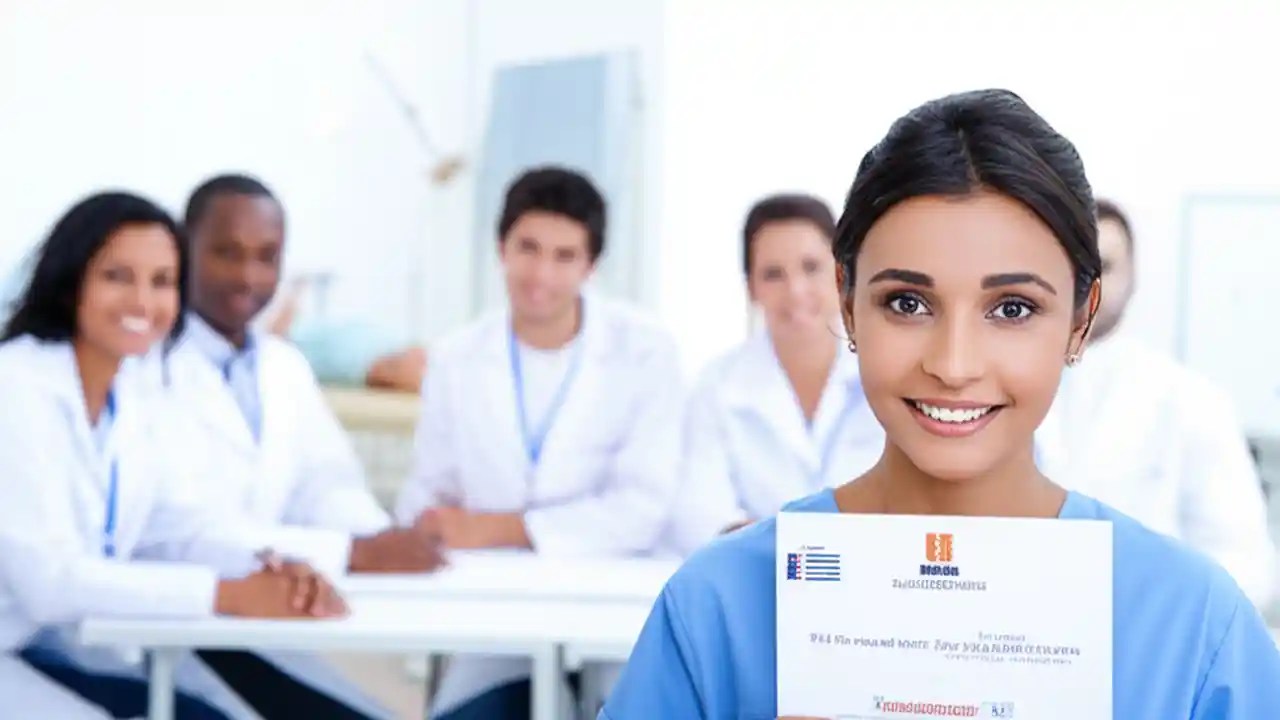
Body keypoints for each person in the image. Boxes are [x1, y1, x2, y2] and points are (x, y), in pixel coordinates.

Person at [601, 90, 1280, 719]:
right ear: (848, 304)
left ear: (1080, 320)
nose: (954, 365)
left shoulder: (1193, 626)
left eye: (1012, 308)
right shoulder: (720, 607)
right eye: (908, 303)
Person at [0, 191, 348, 719]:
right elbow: (50, 581)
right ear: (73, 283)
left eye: (162, 282)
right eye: (118, 276)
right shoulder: (17, 387)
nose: (143, 302)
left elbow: (173, 527)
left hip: (45, 642)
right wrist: (227, 593)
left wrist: (271, 566)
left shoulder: (131, 390)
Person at [394, 166, 686, 719]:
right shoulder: (457, 359)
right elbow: (427, 494)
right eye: (528, 248)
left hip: (609, 610)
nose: (541, 274)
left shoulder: (646, 352)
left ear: (591, 265)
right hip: (496, 611)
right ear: (500, 247)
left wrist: (493, 527)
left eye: (564, 255)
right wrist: (429, 523)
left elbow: (642, 508)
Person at [159, 174, 442, 719]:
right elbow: (180, 527)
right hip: (178, 621)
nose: (248, 276)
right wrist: (352, 554)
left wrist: (377, 536)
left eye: (267, 256)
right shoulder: (149, 366)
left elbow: (325, 480)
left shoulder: (283, 365)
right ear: (183, 247)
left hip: (265, 621)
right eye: (226, 253)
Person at [1041, 198, 1275, 607]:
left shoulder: (1190, 401)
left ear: (1134, 277)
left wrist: (1158, 603)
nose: (1087, 288)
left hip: (1149, 639)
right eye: (1071, 270)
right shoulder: (990, 388)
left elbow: (1248, 564)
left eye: (1106, 269)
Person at [665, 194, 883, 555]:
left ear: (841, 274)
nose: (795, 291)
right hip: (757, 576)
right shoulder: (719, 386)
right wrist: (780, 547)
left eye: (811, 267)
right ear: (751, 288)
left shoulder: (883, 373)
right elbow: (698, 512)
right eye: (773, 274)